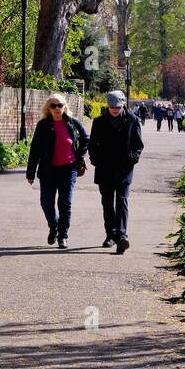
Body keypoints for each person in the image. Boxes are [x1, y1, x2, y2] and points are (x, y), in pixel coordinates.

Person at [26, 93, 89, 249]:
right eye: (53, 105)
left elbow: (86, 138)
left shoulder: (72, 123)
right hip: (48, 170)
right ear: (48, 108)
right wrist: (30, 172)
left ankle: (62, 236)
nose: (56, 108)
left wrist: (79, 156)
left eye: (59, 105)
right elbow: (35, 149)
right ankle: (53, 226)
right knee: (46, 203)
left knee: (65, 203)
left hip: (69, 169)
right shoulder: (43, 125)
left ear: (64, 106)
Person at [88, 90, 144, 254]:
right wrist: (95, 160)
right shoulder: (99, 121)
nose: (114, 110)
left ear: (122, 105)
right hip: (104, 169)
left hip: (124, 169)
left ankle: (122, 236)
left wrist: (132, 158)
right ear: (108, 106)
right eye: (112, 107)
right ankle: (110, 236)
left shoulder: (133, 120)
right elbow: (92, 144)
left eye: (117, 107)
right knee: (107, 203)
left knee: (122, 202)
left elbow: (138, 144)